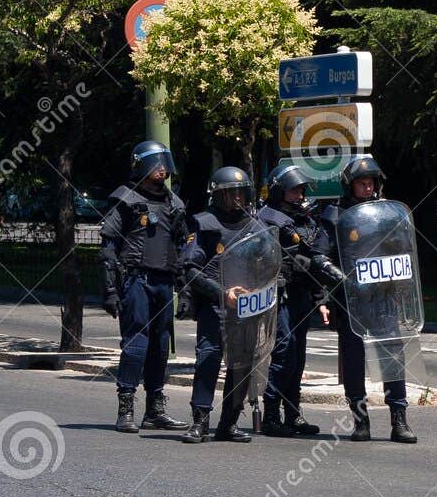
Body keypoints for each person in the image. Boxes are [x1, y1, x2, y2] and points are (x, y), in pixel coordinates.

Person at [316, 155, 418, 444]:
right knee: (354, 360)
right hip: (352, 301)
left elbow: (404, 249)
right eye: (361, 183)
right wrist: (343, 281)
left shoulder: (387, 214)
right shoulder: (334, 215)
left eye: (371, 182)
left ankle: (399, 419)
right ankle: (361, 421)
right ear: (350, 186)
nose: (367, 188)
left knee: (392, 357)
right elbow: (319, 257)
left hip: (384, 297)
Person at [101, 140, 192, 434]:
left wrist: (186, 290)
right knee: (136, 343)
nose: (162, 169)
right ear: (141, 166)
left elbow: (183, 248)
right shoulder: (125, 199)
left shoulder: (174, 203)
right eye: (156, 163)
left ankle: (155, 410)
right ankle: (125, 408)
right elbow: (108, 249)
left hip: (164, 282)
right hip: (136, 280)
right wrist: (110, 290)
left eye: (165, 162)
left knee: (161, 345)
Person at [178, 167, 267, 444]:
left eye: (241, 192)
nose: (237, 198)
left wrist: (261, 288)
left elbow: (269, 262)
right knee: (208, 358)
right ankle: (200, 421)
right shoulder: (204, 223)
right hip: (215, 304)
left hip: (247, 306)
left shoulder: (256, 226)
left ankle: (229, 422)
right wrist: (221, 293)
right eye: (231, 193)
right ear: (218, 196)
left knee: (243, 363)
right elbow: (190, 269)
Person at [257, 162, 345, 437]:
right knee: (283, 352)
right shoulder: (265, 219)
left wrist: (321, 300)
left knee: (298, 357)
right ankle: (271, 415)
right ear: (278, 191)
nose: (299, 195)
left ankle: (293, 414)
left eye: (301, 190)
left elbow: (314, 262)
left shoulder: (306, 220)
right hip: (277, 296)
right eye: (294, 190)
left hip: (301, 295)